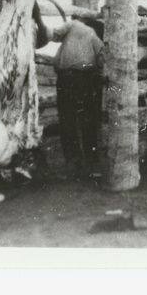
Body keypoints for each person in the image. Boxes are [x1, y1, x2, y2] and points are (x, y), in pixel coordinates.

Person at [52, 17, 104, 180]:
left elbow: (55, 34)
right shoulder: (93, 36)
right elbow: (102, 58)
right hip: (83, 80)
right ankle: (90, 163)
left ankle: (74, 164)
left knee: (67, 121)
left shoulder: (73, 25)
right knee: (87, 121)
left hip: (65, 79)